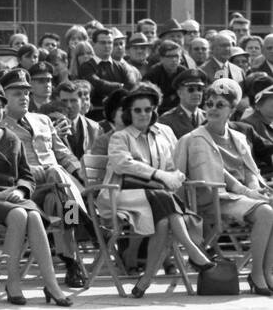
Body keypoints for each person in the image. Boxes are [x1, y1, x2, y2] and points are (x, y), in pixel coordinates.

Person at [0, 80, 74, 306]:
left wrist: (20, 189)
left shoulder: (12, 138)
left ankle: (51, 282)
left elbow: (27, 176)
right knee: (21, 215)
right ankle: (13, 281)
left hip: (21, 197)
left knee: (35, 215)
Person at [106, 85, 213, 297]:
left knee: (163, 221)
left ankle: (144, 282)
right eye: (137, 110)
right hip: (124, 195)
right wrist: (158, 175)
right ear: (129, 113)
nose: (143, 114)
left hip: (158, 199)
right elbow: (122, 165)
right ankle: (191, 248)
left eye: (148, 109)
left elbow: (174, 168)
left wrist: (175, 177)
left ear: (154, 111)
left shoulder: (162, 135)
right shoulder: (121, 137)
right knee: (163, 199)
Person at [174, 78, 273, 294]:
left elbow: (250, 171)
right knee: (266, 212)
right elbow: (179, 177)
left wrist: (255, 188)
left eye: (220, 105)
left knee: (270, 208)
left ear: (232, 110)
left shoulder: (238, 137)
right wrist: (250, 193)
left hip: (240, 199)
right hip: (213, 200)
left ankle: (267, 272)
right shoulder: (192, 139)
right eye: (209, 104)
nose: (212, 109)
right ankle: (256, 275)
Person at [0, 67, 87, 288]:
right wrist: (29, 169)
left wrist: (80, 174)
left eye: (27, 93)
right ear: (4, 97)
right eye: (17, 94)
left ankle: (69, 259)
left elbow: (63, 153)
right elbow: (3, 165)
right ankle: (85, 227)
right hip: (27, 189)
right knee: (60, 181)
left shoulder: (43, 120)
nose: (24, 98)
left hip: (54, 191)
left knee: (60, 197)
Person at [159, 68, 207, 141]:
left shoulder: (208, 117)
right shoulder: (167, 120)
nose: (196, 93)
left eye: (199, 89)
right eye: (191, 89)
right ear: (180, 93)